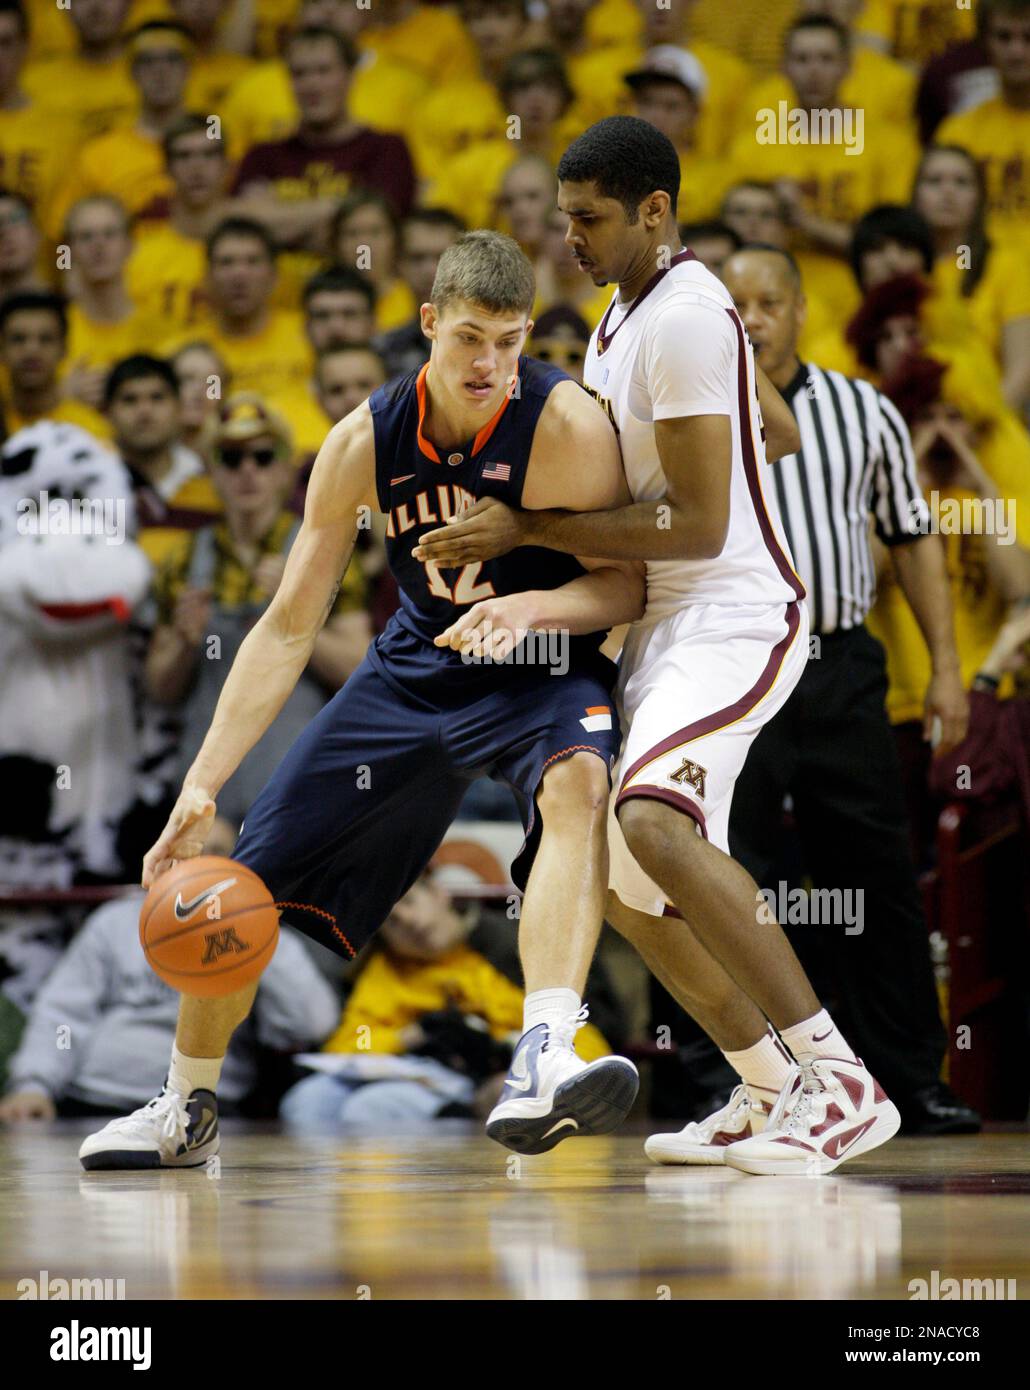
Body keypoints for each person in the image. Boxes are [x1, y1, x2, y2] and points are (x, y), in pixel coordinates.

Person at [78, 229, 646, 1173]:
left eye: (509, 342)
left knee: (580, 782)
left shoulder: (566, 424)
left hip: (545, 660)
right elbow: (290, 626)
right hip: (416, 666)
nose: (489, 364)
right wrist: (202, 783)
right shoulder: (363, 440)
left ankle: (545, 1052)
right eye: (470, 337)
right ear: (429, 322)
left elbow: (627, 585)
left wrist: (528, 607)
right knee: (237, 888)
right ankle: (185, 1105)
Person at [417, 116, 902, 1176]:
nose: (569, 240)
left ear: (654, 211)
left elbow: (692, 522)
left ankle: (844, 1085)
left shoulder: (683, 316)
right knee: (635, 886)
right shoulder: (624, 316)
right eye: (562, 218)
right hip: (662, 622)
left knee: (652, 820)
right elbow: (770, 430)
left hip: (730, 612)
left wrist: (526, 528)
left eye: (589, 220)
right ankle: (768, 1087)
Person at [712, 247, 980, 1135]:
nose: (751, 319)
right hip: (734, 667)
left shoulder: (864, 410)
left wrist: (945, 667)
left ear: (799, 311)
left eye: (768, 303)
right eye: (736, 304)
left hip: (837, 665)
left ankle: (912, 1076)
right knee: (727, 875)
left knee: (876, 876)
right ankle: (748, 1083)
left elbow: (911, 537)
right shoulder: (695, 407)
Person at [0, 817, 339, 1124]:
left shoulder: (257, 932)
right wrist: (34, 1086)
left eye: (218, 854)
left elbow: (314, 1022)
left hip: (202, 1115)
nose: (203, 864)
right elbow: (62, 1013)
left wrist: (257, 921)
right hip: (94, 1103)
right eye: (192, 852)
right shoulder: (116, 922)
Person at [144, 391, 371, 828]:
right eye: (230, 458)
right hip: (207, 790)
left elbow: (357, 667)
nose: (247, 471)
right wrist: (185, 644)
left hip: (302, 783)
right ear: (213, 470)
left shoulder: (326, 551)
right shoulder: (185, 559)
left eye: (264, 457)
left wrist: (293, 609)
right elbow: (161, 690)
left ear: (287, 468)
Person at [279, 867, 615, 1132]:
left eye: (409, 903)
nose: (408, 922)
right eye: (392, 922)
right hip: (411, 1069)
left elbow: (579, 1035)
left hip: (484, 1076)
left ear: (439, 893)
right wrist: (409, 1036)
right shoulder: (386, 969)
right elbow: (342, 1048)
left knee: (370, 1109)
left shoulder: (504, 950)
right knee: (305, 1101)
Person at [232, 25, 416, 254]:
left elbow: (371, 238)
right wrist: (341, 209)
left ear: (350, 76)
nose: (311, 85)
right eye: (300, 73)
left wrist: (275, 218)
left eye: (323, 71)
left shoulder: (387, 149)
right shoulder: (262, 156)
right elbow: (242, 227)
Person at [912, 144, 1030, 414]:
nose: (948, 191)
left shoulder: (1006, 266)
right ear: (915, 194)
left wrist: (979, 424)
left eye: (962, 182)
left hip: (990, 421)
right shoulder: (898, 263)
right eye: (934, 181)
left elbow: (1022, 369)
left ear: (979, 197)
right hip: (912, 424)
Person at [51, 20, 194, 232]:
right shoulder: (97, 155)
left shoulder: (214, 145)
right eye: (147, 62)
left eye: (172, 60)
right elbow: (62, 235)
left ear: (189, 69)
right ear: (131, 72)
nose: (161, 72)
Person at [103, 353, 222, 567]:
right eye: (130, 400)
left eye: (157, 398)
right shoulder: (89, 487)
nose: (144, 411)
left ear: (179, 407)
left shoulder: (212, 483)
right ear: (107, 412)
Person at [935, 0, 1030, 254]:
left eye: (1028, 37)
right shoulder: (957, 131)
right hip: (976, 274)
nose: (1017, 51)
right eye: (1004, 37)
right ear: (984, 43)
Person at [127, 114, 232, 333]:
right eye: (184, 156)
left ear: (226, 166)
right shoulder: (137, 256)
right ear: (166, 168)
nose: (197, 167)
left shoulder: (253, 251)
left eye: (208, 154)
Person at [0, 290, 109, 439]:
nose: (32, 350)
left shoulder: (88, 433)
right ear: (2, 349)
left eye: (45, 339)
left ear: (64, 349)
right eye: (18, 339)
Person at [372, 208, 466, 379]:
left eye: (442, 257)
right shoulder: (383, 350)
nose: (429, 270)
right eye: (416, 258)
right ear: (398, 264)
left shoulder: (499, 342)